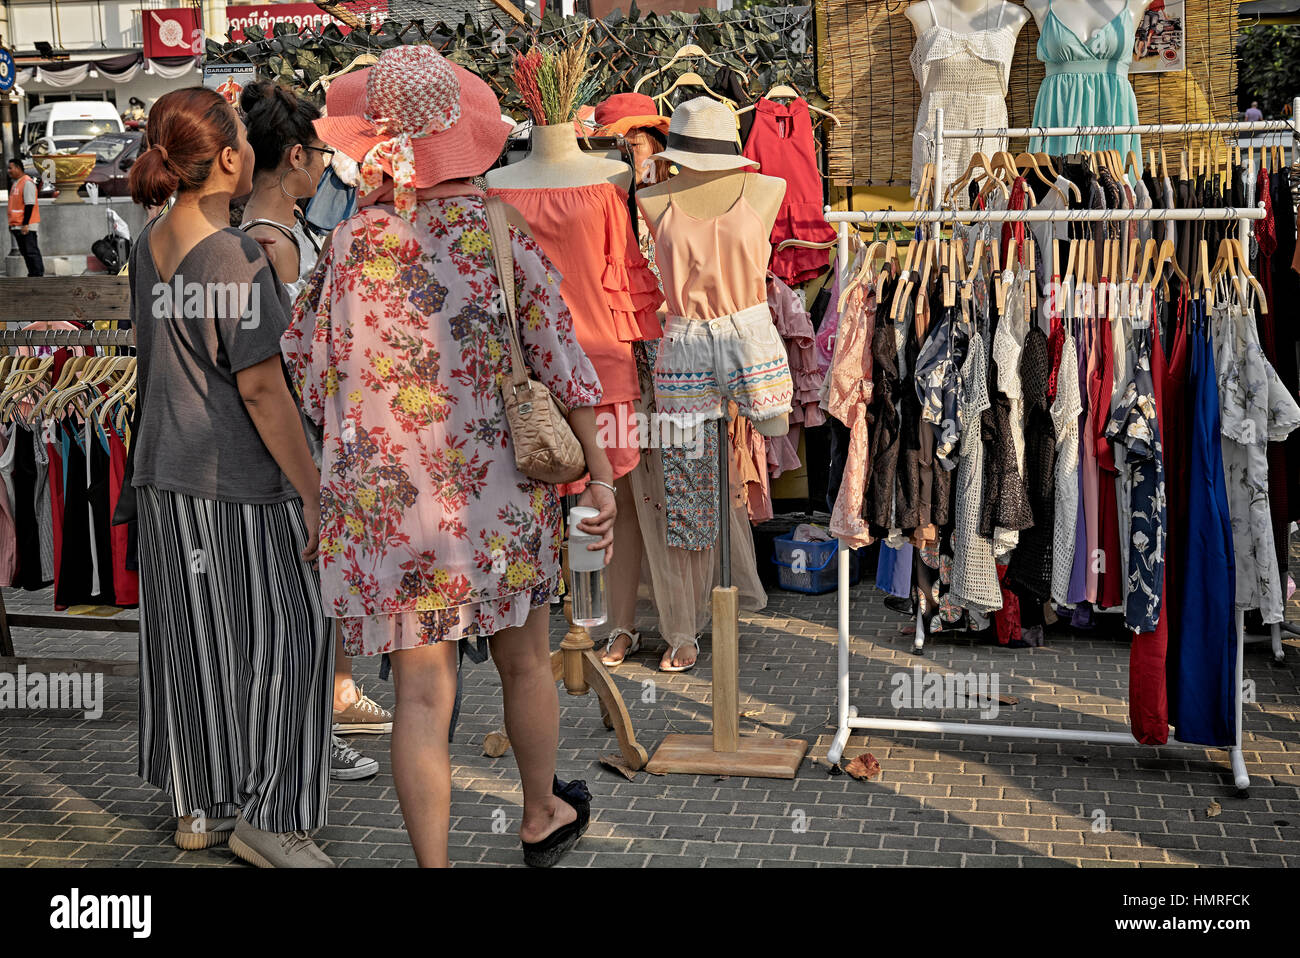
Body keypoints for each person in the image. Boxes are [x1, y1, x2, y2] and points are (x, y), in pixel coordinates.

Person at [283, 46, 615, 868]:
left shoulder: (350, 246)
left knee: (420, 697)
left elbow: (307, 369)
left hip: (389, 507)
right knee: (527, 662)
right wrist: (601, 476)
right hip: (496, 499)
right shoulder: (501, 234)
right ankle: (539, 814)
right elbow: (563, 364)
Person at [126, 87, 334, 868]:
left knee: (192, 644)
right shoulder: (237, 255)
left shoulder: (151, 242)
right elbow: (261, 388)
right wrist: (314, 493)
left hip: (162, 473)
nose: (250, 147)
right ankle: (272, 816)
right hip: (235, 478)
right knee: (292, 637)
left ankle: (199, 806)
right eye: (243, 136)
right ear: (224, 158)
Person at [238, 78, 392, 783]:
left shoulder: (268, 235)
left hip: (306, 434)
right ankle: (308, 740)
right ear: (295, 157)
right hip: (298, 442)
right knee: (300, 601)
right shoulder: (273, 245)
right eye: (317, 157)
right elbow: (275, 369)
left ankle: (320, 720)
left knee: (308, 599)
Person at [8, 159, 44, 277]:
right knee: (26, 252)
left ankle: (38, 275)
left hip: (26, 225)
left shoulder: (27, 183)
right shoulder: (16, 183)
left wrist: (25, 224)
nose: (9, 171)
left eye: (10, 168)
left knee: (31, 252)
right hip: (18, 224)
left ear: (18, 168)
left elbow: (29, 204)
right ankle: (32, 274)